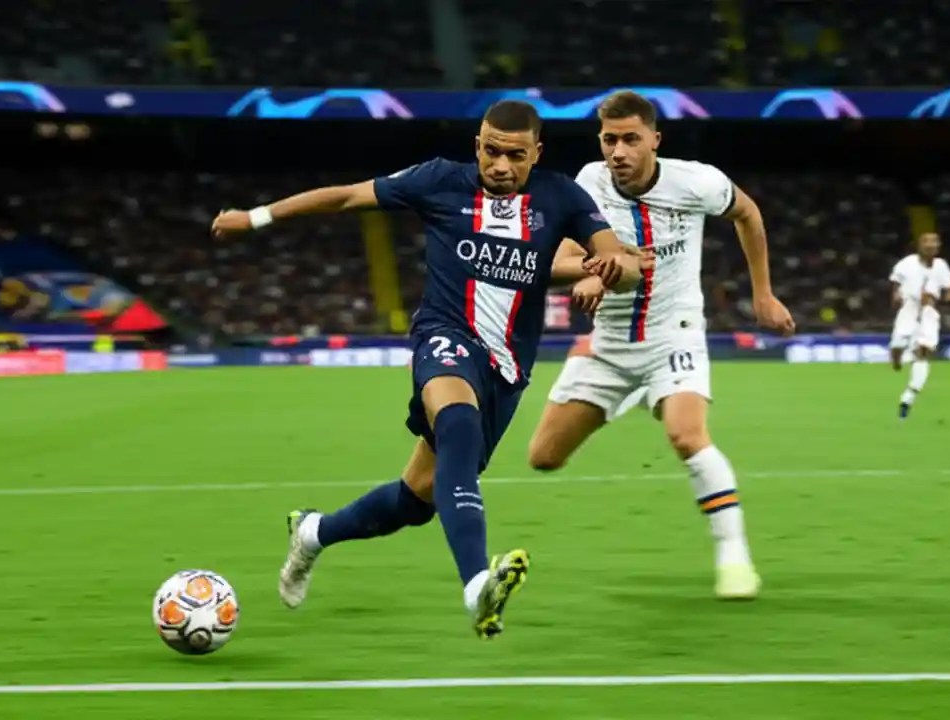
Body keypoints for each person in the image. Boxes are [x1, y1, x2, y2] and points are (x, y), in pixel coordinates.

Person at [211, 100, 647, 638]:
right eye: (491, 151)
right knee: (457, 424)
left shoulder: (561, 197)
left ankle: (313, 533)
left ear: (537, 152)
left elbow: (623, 263)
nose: (501, 166)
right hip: (444, 337)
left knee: (417, 499)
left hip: (506, 369)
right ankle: (475, 589)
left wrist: (608, 272)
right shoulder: (439, 181)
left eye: (515, 155)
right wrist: (253, 218)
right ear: (477, 146)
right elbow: (346, 196)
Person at [526, 90, 795, 600]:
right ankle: (633, 392)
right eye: (609, 140)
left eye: (630, 139)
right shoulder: (588, 183)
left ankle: (734, 558)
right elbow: (559, 258)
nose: (619, 151)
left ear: (655, 139)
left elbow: (748, 213)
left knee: (687, 436)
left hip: (674, 334)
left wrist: (763, 293)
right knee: (543, 457)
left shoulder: (697, 181)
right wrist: (587, 271)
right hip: (606, 345)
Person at [888, 232, 950, 419]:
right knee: (898, 345)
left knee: (923, 351)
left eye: (934, 241)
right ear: (919, 245)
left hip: (929, 312)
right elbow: (895, 286)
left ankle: (908, 396)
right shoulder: (906, 263)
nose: (930, 245)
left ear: (939, 245)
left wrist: (934, 300)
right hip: (908, 308)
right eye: (926, 241)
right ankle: (896, 358)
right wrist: (896, 297)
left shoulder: (941, 267)